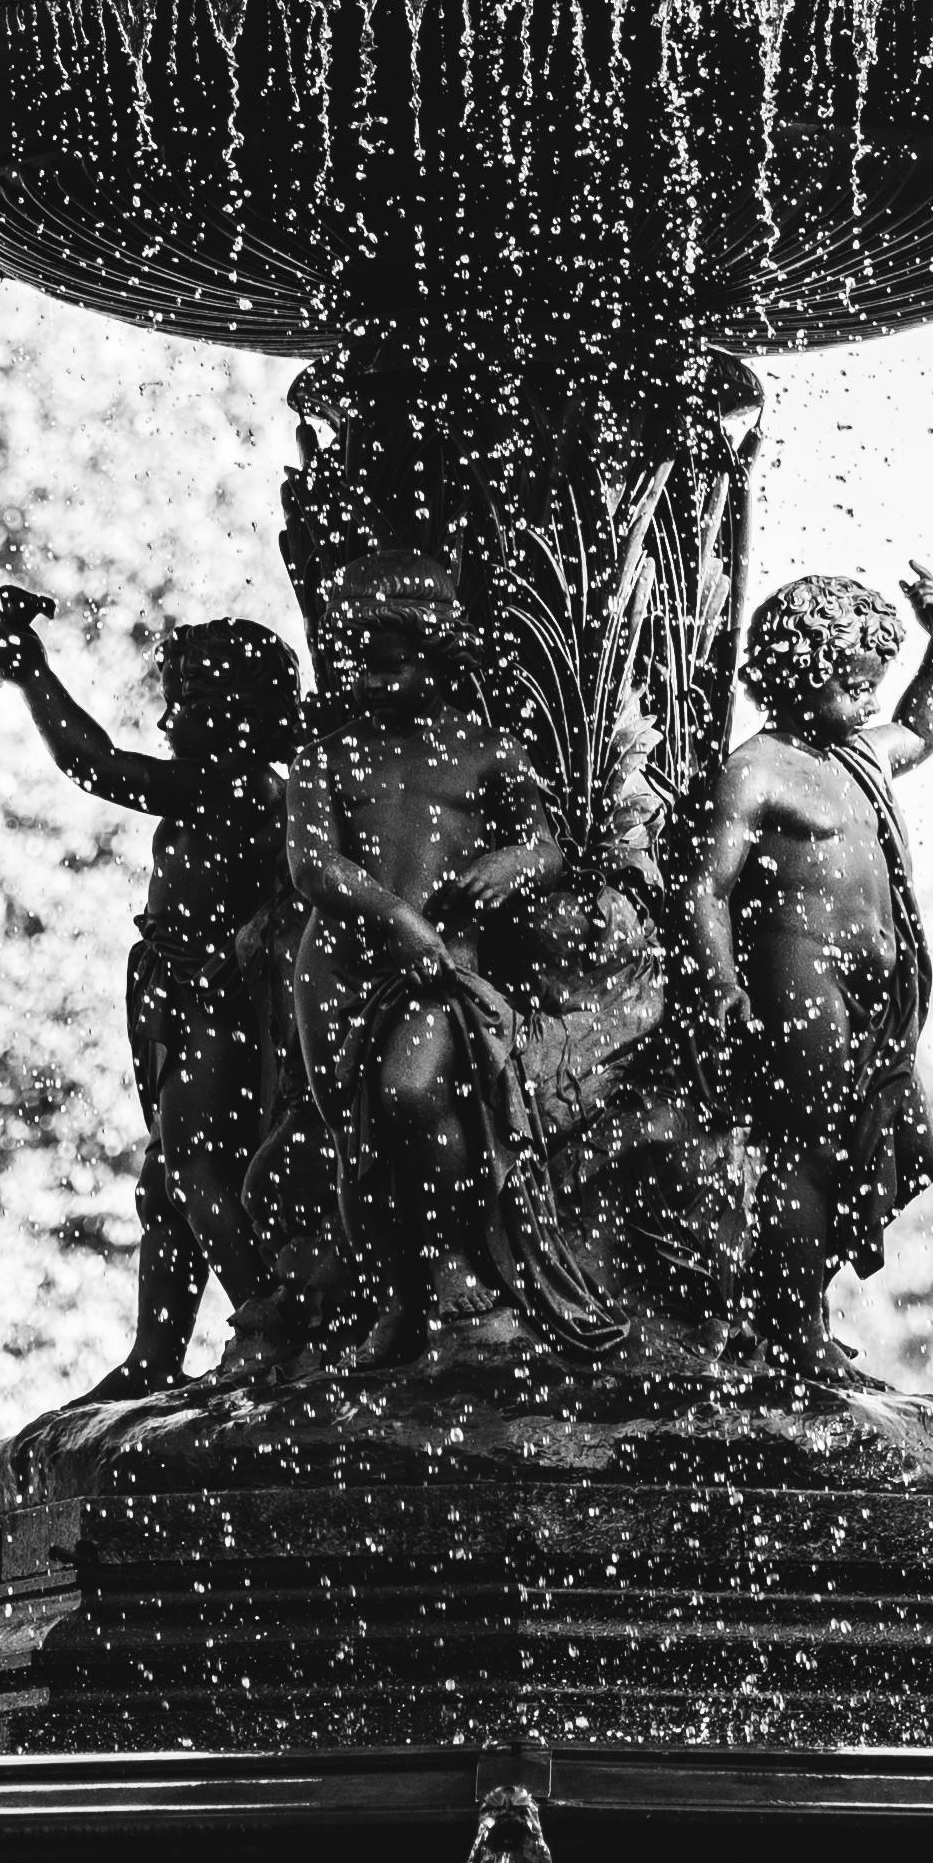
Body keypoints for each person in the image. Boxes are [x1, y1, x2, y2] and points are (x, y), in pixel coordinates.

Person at [274, 550, 666, 1366]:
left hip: (444, 969)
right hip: (343, 969)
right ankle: (396, 1297)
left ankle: (454, 1269)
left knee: (413, 1096)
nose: (374, 684)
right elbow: (314, 867)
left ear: (442, 659)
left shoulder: (489, 753)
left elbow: (547, 847)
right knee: (358, 1132)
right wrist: (394, 918)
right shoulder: (326, 756)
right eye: (363, 668)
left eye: (395, 666)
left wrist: (517, 864)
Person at [0, 587, 314, 1382]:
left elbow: (95, 767)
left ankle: (267, 1325)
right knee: (170, 1177)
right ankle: (156, 1353)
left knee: (199, 1164)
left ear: (230, 709)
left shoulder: (234, 785)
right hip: (180, 995)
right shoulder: (232, 782)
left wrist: (35, 678)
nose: (171, 718)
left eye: (188, 701)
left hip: (212, 997)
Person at [690, 564, 933, 1370]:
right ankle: (792, 1332)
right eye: (855, 684)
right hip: (799, 984)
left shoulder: (856, 758)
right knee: (806, 1148)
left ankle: (779, 1297)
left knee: (911, 1149)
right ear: (801, 672)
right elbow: (707, 886)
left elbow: (919, 727)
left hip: (876, 999)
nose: (873, 702)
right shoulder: (759, 768)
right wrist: (721, 981)